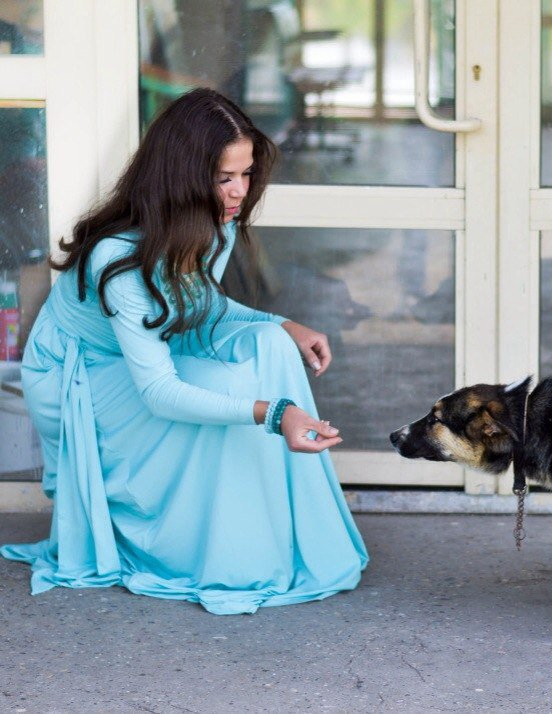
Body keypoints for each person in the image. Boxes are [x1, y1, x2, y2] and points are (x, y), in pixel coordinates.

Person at [0, 88, 368, 614]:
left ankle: (274, 538)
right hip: (78, 377)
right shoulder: (118, 260)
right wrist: (275, 412)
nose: (240, 191)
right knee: (236, 390)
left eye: (246, 173)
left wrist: (283, 324)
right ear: (185, 177)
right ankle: (217, 550)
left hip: (147, 348)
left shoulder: (214, 221)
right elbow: (160, 392)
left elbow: (202, 303)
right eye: (225, 178)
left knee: (271, 349)